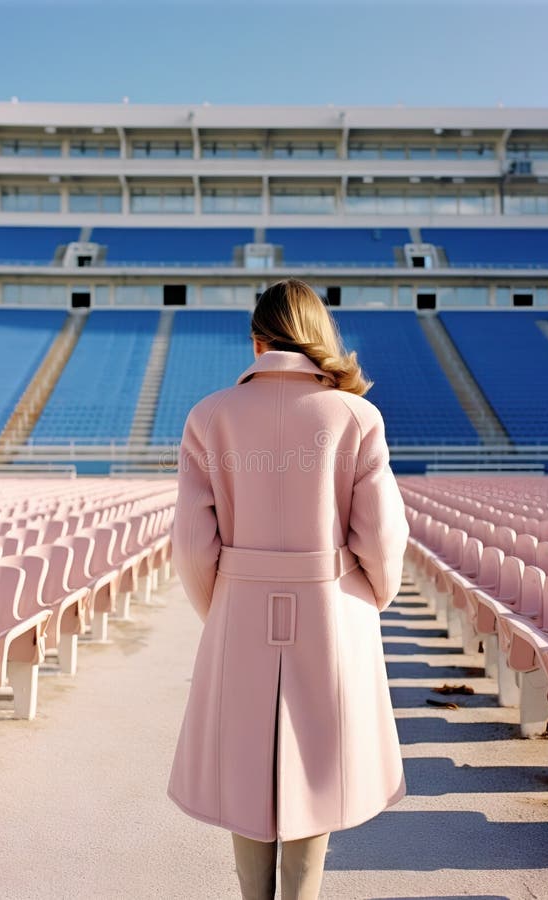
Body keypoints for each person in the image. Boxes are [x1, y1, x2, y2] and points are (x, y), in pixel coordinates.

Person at [167, 279, 409, 900]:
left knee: (245, 763)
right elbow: (381, 538)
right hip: (331, 606)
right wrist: (368, 601)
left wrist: (221, 607)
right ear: (319, 337)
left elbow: (194, 547)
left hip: (240, 607)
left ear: (256, 340)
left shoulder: (208, 415)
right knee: (318, 767)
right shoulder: (358, 416)